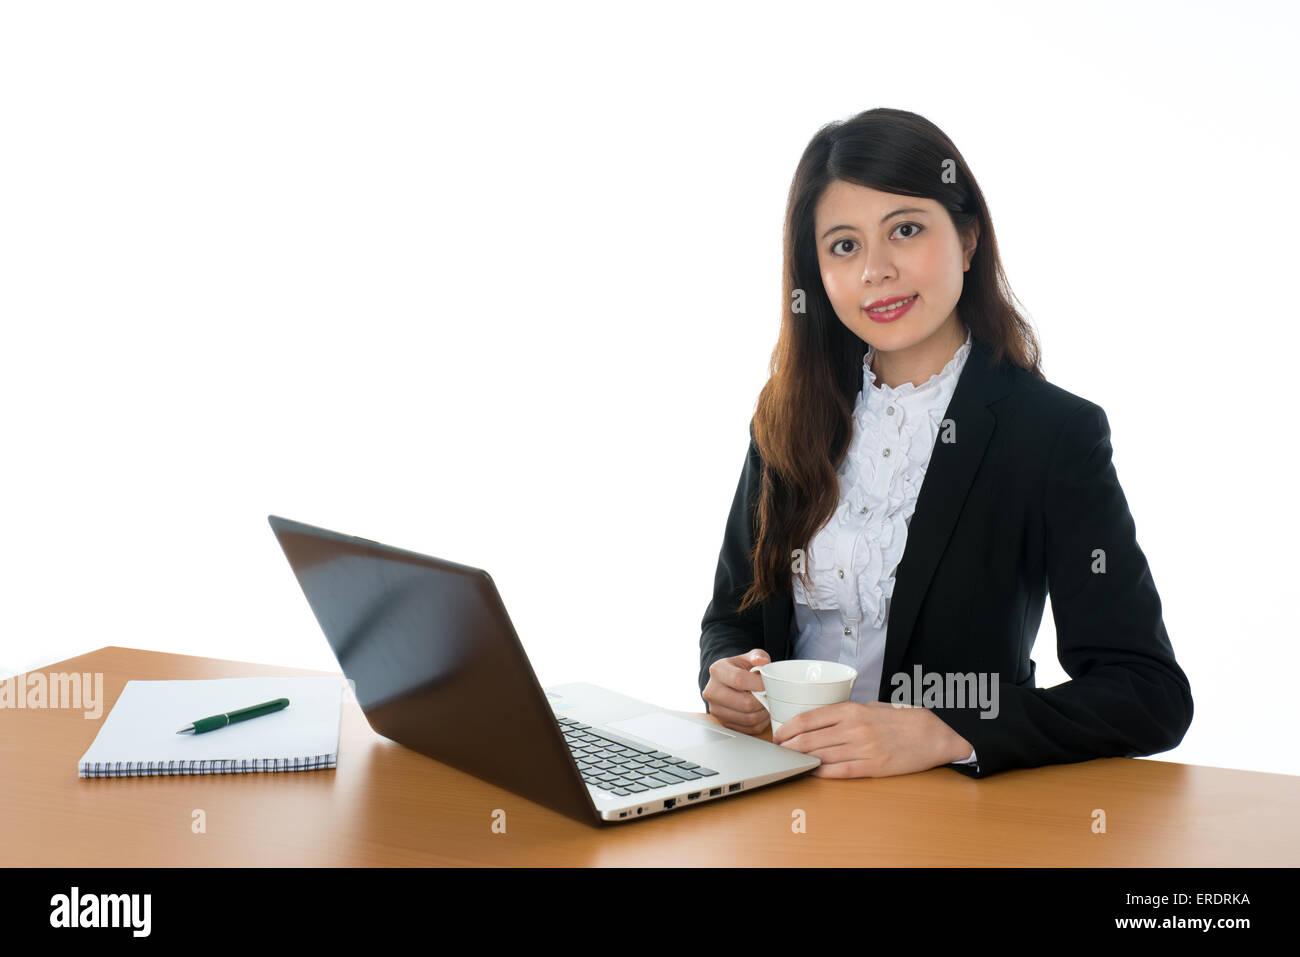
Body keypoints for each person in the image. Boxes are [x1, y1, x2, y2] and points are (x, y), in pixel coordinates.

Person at [698, 107, 1192, 779]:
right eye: (844, 245)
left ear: (967, 241)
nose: (876, 269)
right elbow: (735, 618)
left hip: (948, 816)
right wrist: (728, 676)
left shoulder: (1052, 433)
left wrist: (945, 731)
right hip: (784, 798)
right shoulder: (787, 414)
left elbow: (1148, 693)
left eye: (905, 229)